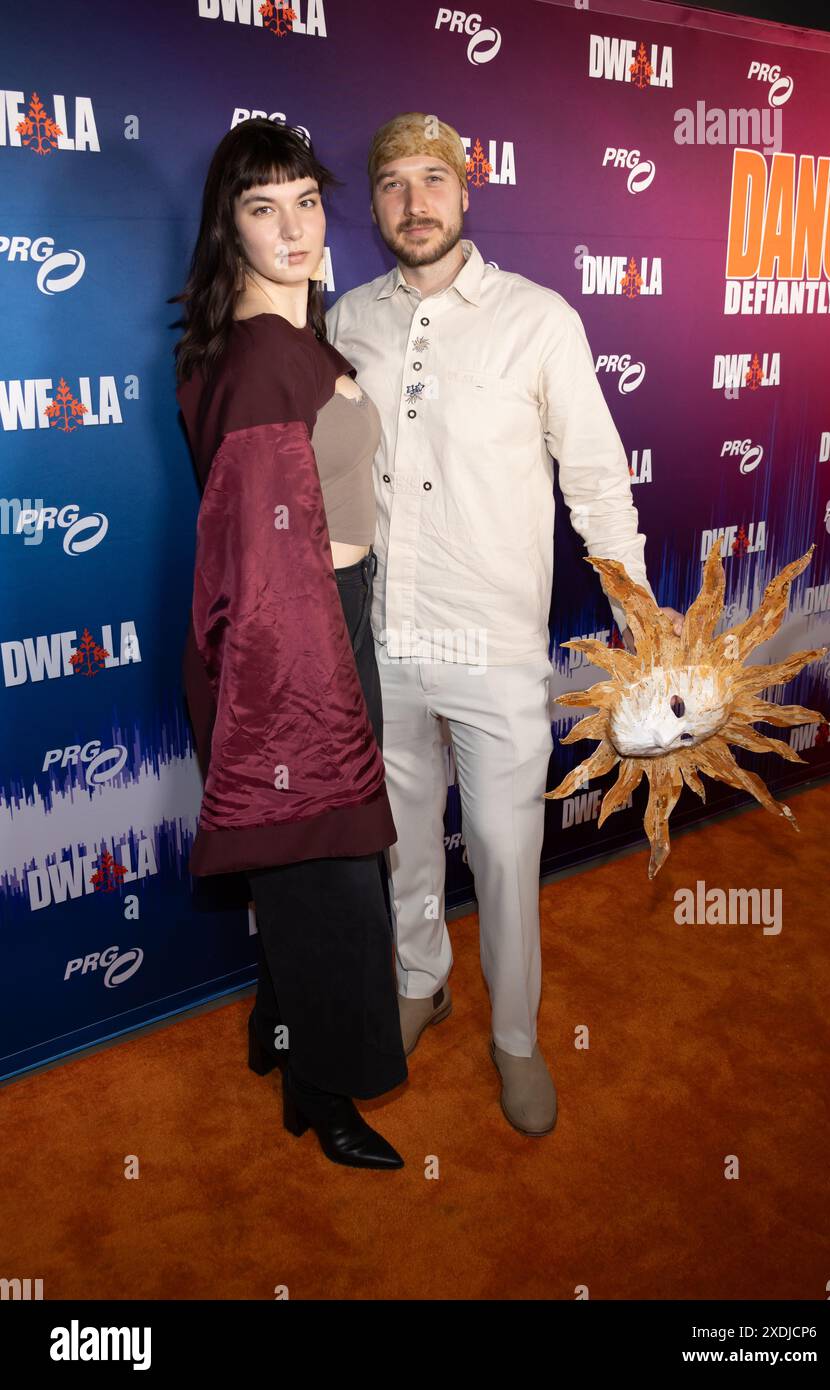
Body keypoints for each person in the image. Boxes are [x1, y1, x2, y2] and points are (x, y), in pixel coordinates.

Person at [326, 112, 684, 1137]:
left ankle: (516, 1038)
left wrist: (641, 614)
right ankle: (422, 979)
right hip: (387, 642)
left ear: (467, 190)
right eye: (392, 183)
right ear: (377, 202)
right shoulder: (347, 319)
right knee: (403, 844)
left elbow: (597, 480)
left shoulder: (540, 319)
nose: (413, 202)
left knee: (503, 850)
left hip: (495, 648)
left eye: (433, 179)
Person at [170, 117, 407, 1170]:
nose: (294, 225)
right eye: (262, 208)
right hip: (293, 642)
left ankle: (275, 1028)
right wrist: (309, 711)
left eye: (306, 199)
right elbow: (265, 584)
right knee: (331, 866)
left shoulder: (294, 342)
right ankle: (324, 1088)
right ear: (231, 230)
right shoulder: (265, 361)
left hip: (330, 616)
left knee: (306, 864)